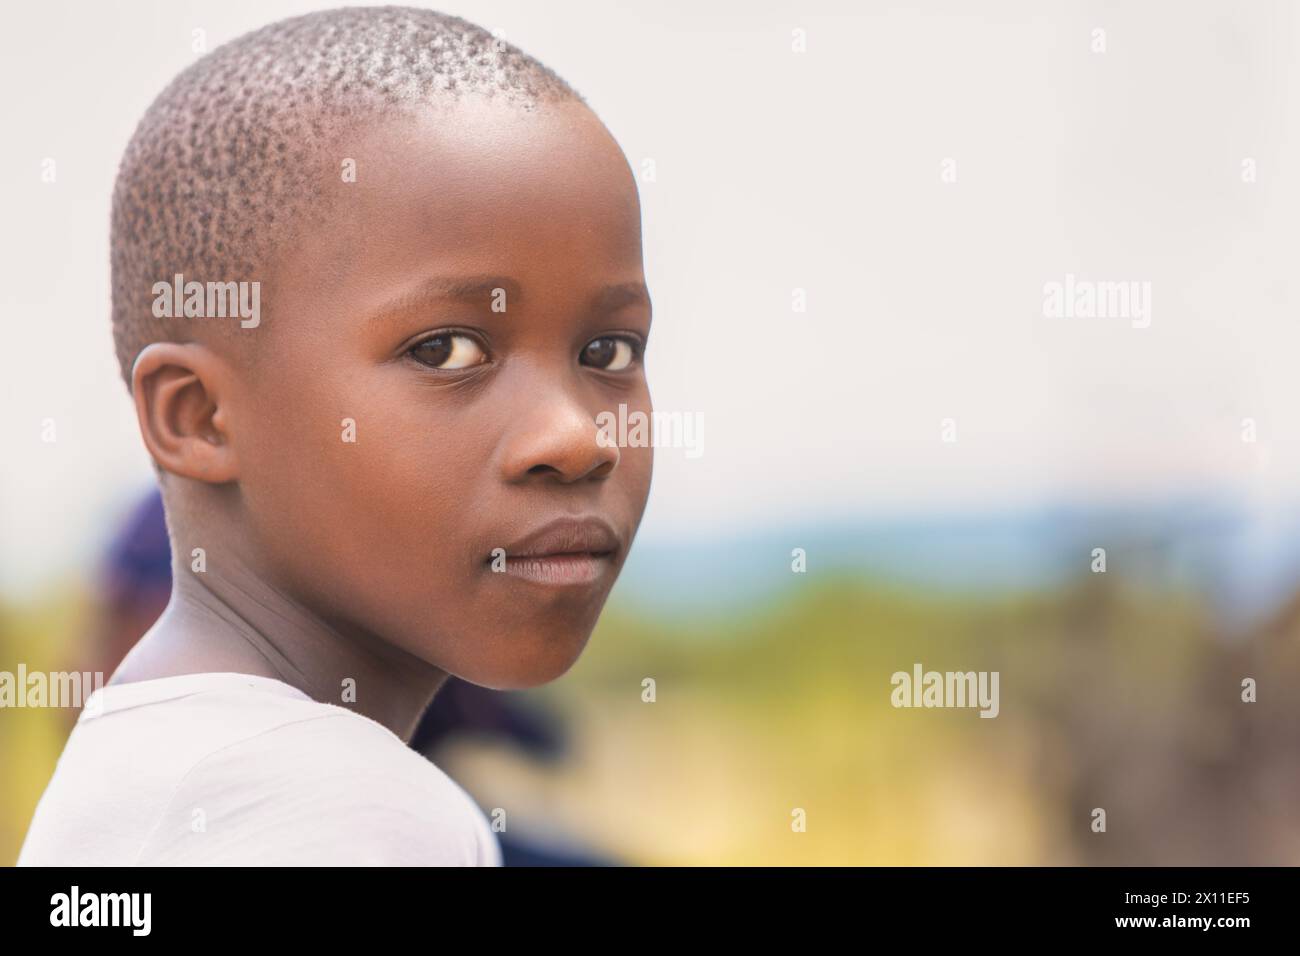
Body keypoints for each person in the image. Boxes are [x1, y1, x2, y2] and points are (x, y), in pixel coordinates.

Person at [18, 6, 653, 865]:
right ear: (197, 417)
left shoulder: (150, 769)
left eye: (607, 351)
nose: (577, 437)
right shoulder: (343, 813)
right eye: (446, 349)